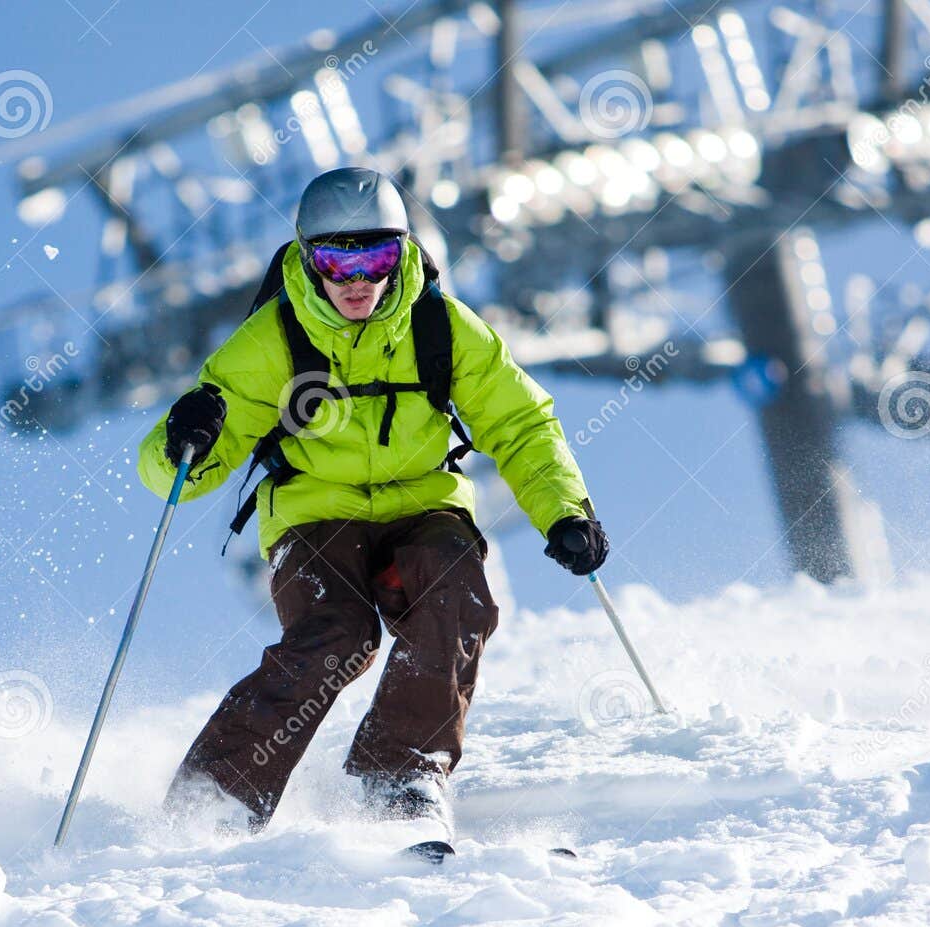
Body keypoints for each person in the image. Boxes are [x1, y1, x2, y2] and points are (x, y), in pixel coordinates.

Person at [136, 166, 608, 843]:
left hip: (423, 504)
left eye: (378, 257)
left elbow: (520, 420)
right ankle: (218, 794)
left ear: (402, 253)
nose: (357, 280)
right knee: (337, 632)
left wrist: (564, 509)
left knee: (454, 593)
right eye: (335, 260)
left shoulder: (440, 325)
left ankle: (398, 776)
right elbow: (172, 475)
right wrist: (189, 435)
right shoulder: (275, 338)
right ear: (307, 258)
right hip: (313, 512)